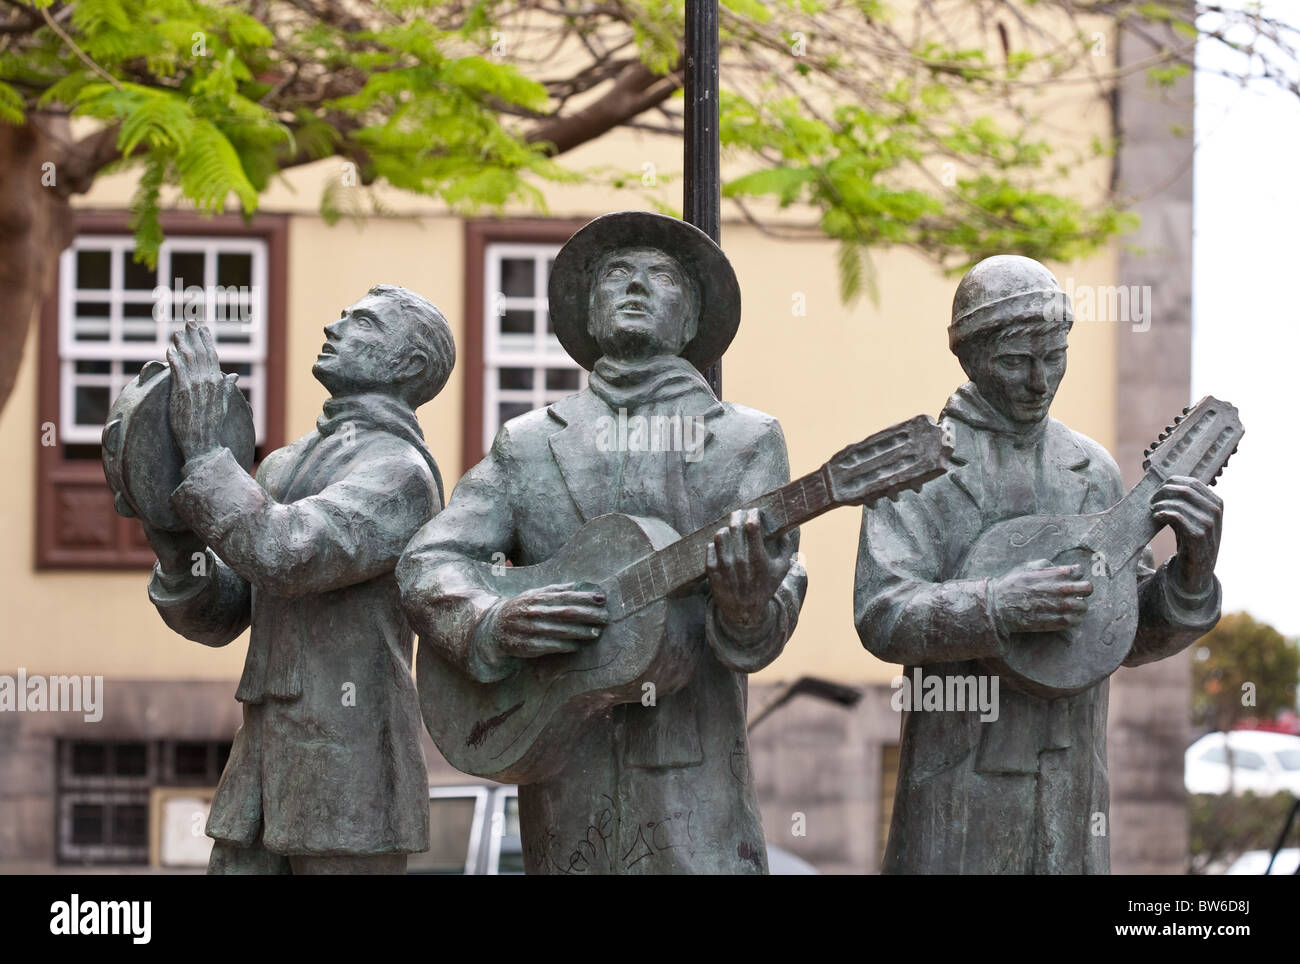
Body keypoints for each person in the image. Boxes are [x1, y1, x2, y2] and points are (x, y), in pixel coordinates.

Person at [398, 212, 807, 874]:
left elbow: (775, 602)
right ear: (589, 314)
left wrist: (747, 605)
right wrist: (495, 620)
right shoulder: (527, 444)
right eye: (617, 274)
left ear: (691, 317)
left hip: (693, 780)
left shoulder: (746, 441)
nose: (637, 286)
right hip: (564, 768)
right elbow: (429, 561)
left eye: (662, 276)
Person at [854, 255, 1223, 874]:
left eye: (1055, 355)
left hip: (1070, 777)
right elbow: (882, 613)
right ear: (969, 358)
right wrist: (994, 606)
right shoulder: (919, 469)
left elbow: (1119, 631)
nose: (1039, 379)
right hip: (959, 778)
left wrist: (1190, 576)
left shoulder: (1094, 470)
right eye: (1016, 360)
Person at [143, 285, 453, 874]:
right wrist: (175, 538)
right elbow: (224, 612)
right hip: (259, 771)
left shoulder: (400, 474)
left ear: (407, 366)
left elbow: (285, 554)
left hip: (351, 770)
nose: (335, 326)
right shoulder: (285, 462)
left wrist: (207, 456)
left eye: (363, 323)